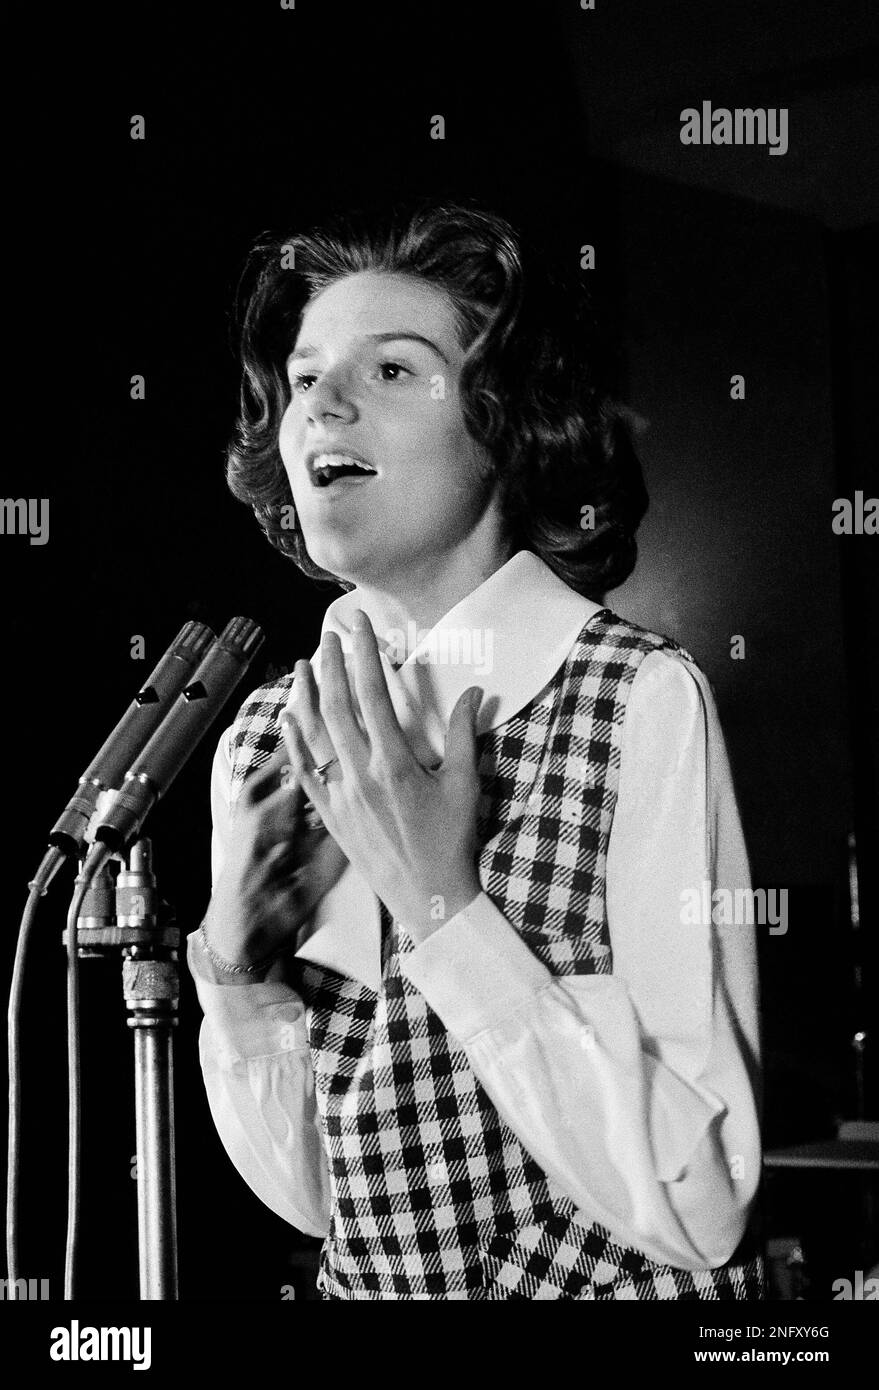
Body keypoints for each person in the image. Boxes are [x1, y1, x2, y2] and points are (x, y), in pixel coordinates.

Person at [187, 198, 766, 1300]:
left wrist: (443, 907)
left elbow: (705, 1207)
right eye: (306, 379)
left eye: (393, 370)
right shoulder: (268, 738)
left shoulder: (638, 698)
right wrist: (234, 963)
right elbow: (325, 1201)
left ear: (505, 420)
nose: (324, 407)